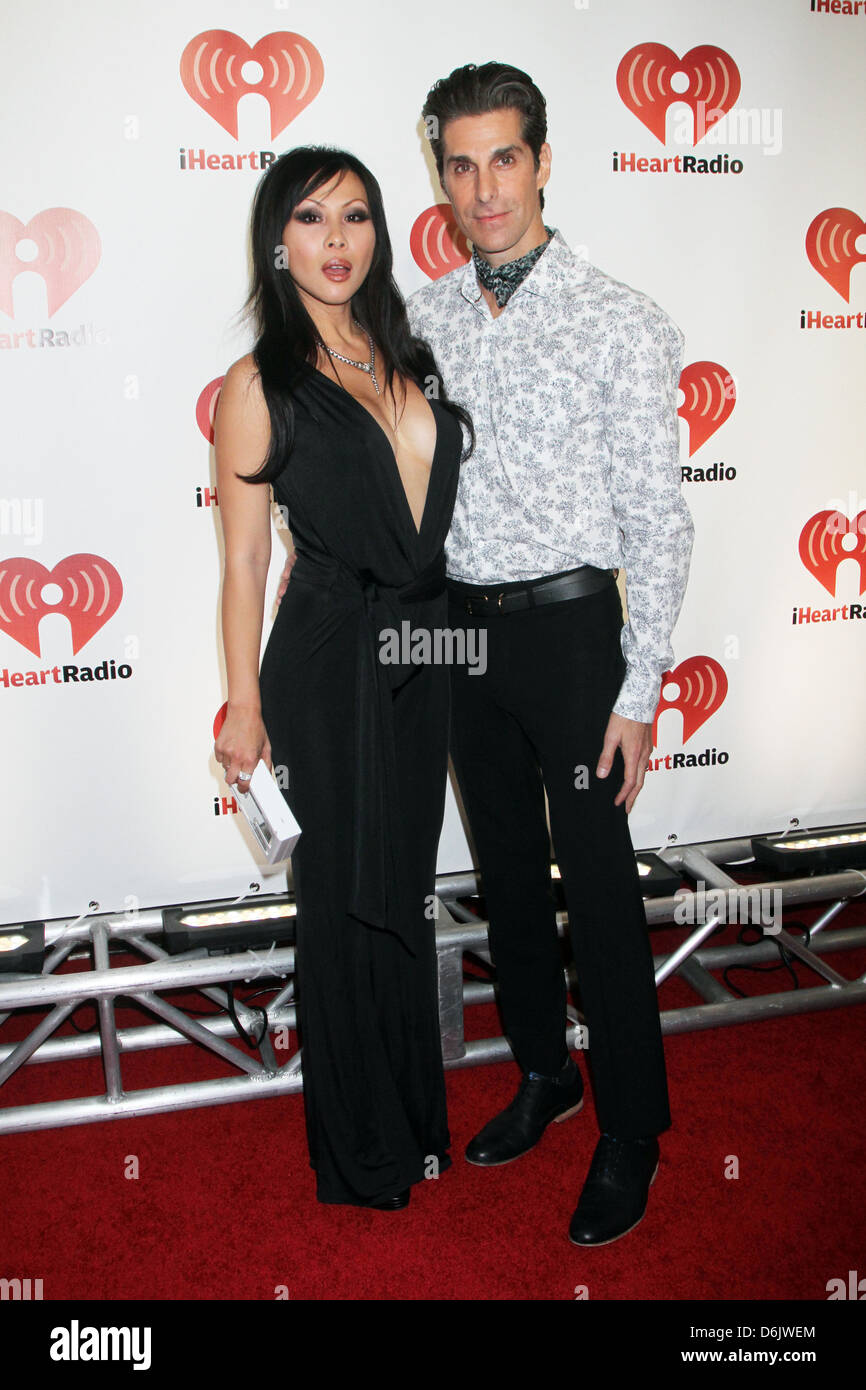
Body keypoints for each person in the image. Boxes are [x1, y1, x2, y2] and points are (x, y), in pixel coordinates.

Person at [405, 62, 694, 1245]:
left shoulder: (620, 319)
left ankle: (632, 1127)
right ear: (442, 171)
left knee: (602, 889)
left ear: (542, 160)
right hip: (464, 631)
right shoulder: (419, 317)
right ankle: (544, 1071)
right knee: (509, 875)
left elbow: (658, 517)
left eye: (502, 159)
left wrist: (642, 685)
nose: (482, 189)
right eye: (459, 164)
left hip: (577, 636)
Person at [213, 146, 473, 1210]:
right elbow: (239, 560)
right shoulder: (257, 385)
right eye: (311, 219)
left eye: (356, 216)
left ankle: (412, 1122)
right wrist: (243, 702)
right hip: (326, 663)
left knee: (403, 891)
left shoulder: (412, 353)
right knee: (340, 899)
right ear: (279, 244)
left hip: (426, 651)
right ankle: (361, 1150)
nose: (336, 239)